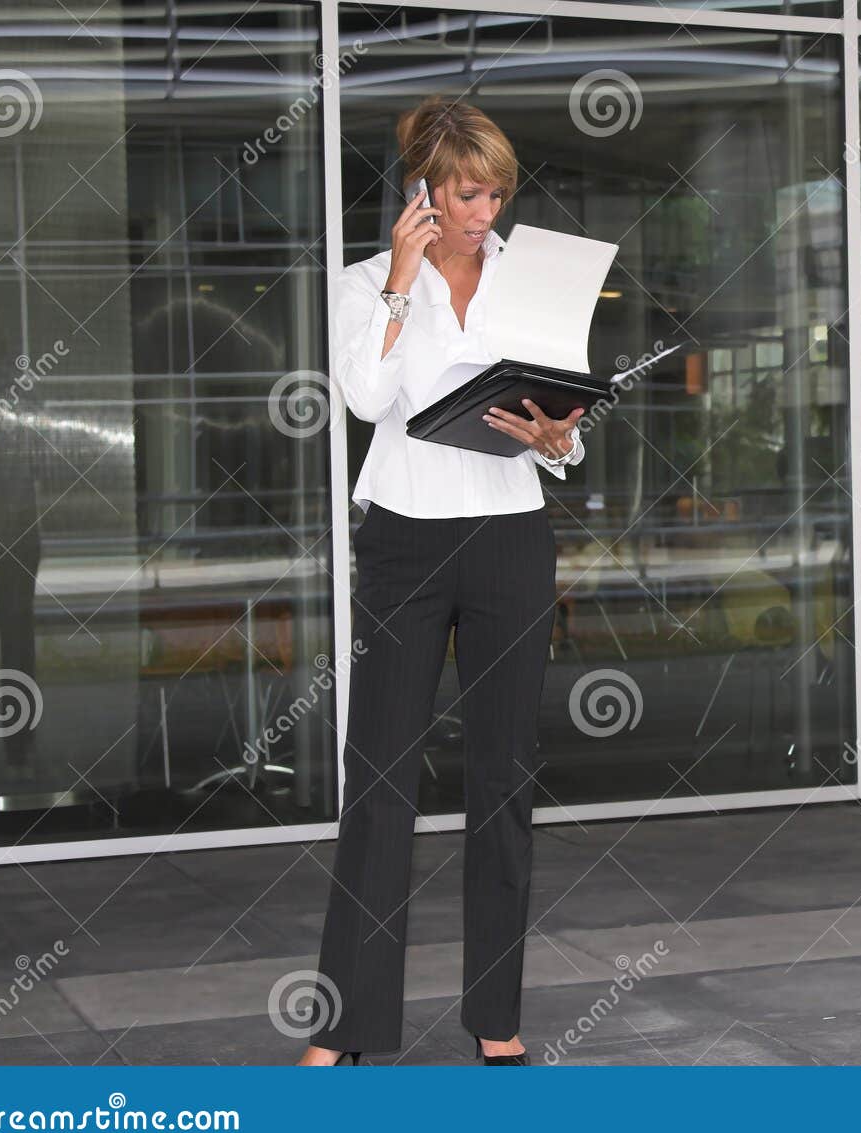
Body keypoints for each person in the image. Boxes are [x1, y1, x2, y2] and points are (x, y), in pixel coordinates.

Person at [297, 95, 583, 1067]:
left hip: (510, 539)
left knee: (503, 780)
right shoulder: (366, 280)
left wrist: (558, 438)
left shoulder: (530, 277)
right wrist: (402, 280)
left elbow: (556, 416)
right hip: (405, 544)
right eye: (466, 193)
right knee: (378, 784)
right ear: (423, 189)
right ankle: (346, 1027)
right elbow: (369, 398)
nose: (483, 211)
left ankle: (495, 1020)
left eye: (495, 193)